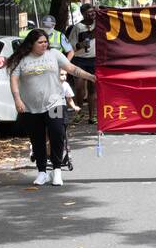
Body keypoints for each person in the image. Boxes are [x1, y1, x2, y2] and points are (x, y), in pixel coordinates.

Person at [7, 29, 96, 187]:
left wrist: (91, 77)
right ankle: (42, 172)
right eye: (40, 42)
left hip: (55, 102)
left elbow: (71, 68)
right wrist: (17, 100)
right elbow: (14, 80)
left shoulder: (54, 54)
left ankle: (57, 170)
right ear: (31, 44)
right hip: (30, 106)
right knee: (37, 139)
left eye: (45, 42)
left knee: (57, 132)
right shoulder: (22, 59)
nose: (44, 45)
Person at [67, 4, 97, 123]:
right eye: (89, 12)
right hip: (80, 60)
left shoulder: (98, 25)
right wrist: (81, 45)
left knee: (92, 89)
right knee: (79, 88)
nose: (92, 14)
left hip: (94, 60)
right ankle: (79, 113)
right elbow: (70, 46)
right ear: (83, 14)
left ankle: (92, 116)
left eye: (93, 12)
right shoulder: (77, 27)